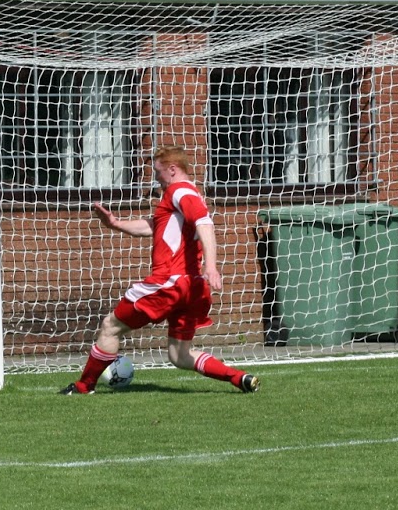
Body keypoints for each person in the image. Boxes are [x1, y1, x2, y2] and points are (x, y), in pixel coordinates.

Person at [63, 145, 259, 395]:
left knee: (111, 326)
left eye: (158, 172)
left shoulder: (180, 191)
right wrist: (115, 223)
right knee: (179, 355)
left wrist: (212, 266)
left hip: (169, 283)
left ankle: (83, 386)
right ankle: (239, 377)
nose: (156, 178)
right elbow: (153, 226)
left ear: (173, 169)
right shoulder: (185, 195)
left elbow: (205, 223)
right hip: (193, 287)